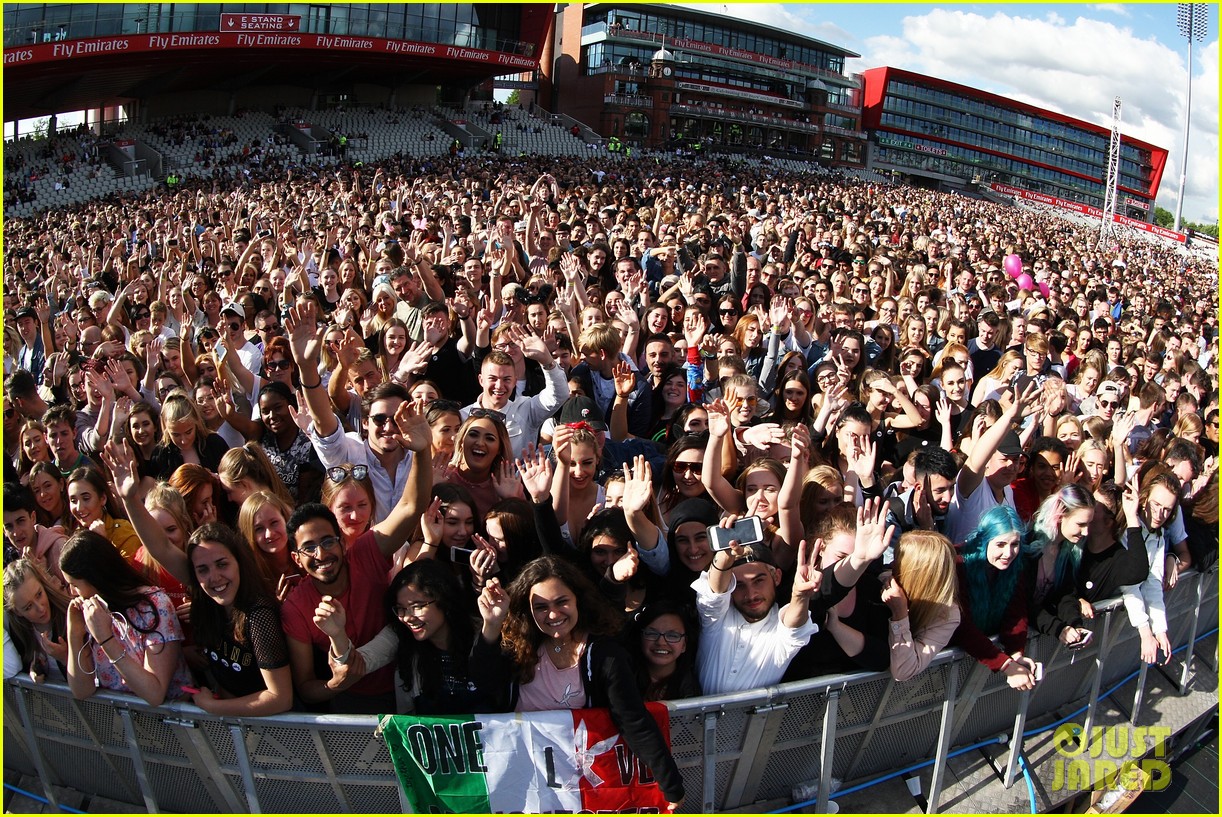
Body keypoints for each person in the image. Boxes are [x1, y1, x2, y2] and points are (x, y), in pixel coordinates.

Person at [474, 555, 685, 809]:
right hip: (524, 783)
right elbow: (483, 685)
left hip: (582, 788)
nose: (553, 614)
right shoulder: (517, 647)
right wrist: (491, 625)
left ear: (578, 600)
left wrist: (670, 784)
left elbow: (633, 721)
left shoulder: (605, 656)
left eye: (561, 601)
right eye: (541, 607)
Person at [279, 399, 433, 713]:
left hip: (402, 686)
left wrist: (421, 451)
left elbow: (410, 507)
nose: (321, 553)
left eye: (328, 542)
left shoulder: (365, 553)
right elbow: (306, 687)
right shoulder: (296, 606)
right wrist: (338, 683)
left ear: (340, 542)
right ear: (296, 558)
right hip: (347, 704)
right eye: (309, 547)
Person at [314, 560, 508, 714]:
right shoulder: (399, 634)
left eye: (417, 606)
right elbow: (356, 664)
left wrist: (492, 627)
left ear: (444, 600)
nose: (407, 617)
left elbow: (495, 683)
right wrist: (337, 634)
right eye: (401, 608)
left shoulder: (481, 629)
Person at [59, 530, 193, 706]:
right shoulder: (93, 613)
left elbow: (155, 694)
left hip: (169, 718)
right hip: (123, 719)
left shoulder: (154, 606)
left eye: (75, 585)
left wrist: (105, 639)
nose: (72, 593)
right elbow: (81, 691)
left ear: (95, 578)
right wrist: (74, 634)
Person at [184, 523, 294, 715]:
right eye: (203, 570)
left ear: (239, 562)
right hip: (237, 722)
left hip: (274, 726)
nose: (214, 577)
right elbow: (161, 549)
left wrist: (212, 707)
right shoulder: (209, 605)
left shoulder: (259, 614)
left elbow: (281, 698)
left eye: (222, 564)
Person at [951, 506, 1038, 690]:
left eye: (1015, 544)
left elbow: (1016, 614)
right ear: (984, 540)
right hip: (947, 655)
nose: (1008, 553)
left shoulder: (1016, 566)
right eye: (1000, 544)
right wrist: (1006, 665)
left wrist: (1016, 654)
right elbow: (960, 625)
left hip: (980, 655)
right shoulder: (959, 564)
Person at [3, 558, 71, 681]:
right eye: (28, 607)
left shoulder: (71, 616)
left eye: (39, 594)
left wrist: (65, 658)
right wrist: (33, 671)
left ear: (43, 584)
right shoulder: (19, 633)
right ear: (17, 612)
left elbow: (94, 678)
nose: (40, 608)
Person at [626, 600, 701, 701]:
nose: (661, 642)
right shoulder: (622, 678)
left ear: (684, 644)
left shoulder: (691, 690)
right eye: (652, 633)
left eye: (672, 635)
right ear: (640, 638)